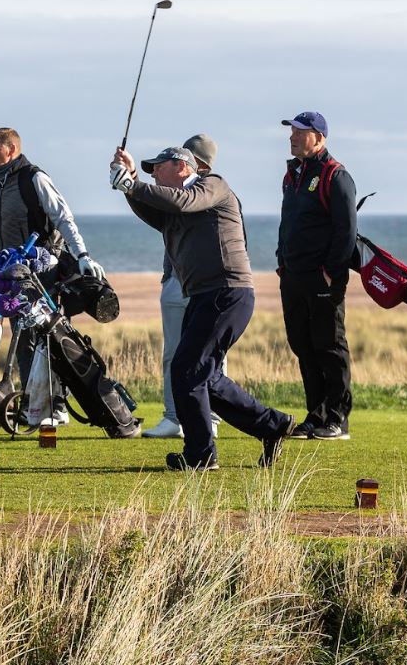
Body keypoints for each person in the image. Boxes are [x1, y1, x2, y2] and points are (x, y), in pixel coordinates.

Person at [110, 145, 294, 470]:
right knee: (204, 377)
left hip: (227, 292)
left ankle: (200, 454)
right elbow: (153, 209)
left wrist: (134, 184)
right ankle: (272, 425)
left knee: (186, 370)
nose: (154, 173)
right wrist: (130, 182)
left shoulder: (212, 185)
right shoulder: (176, 206)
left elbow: (182, 201)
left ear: (182, 166)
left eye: (157, 167)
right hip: (204, 296)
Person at [0, 127, 106, 425]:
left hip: (42, 273)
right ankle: (36, 406)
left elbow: (63, 217)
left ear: (10, 149)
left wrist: (83, 256)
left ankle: (54, 408)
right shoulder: (4, 182)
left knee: (47, 340)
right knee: (24, 338)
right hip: (16, 273)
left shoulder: (33, 177)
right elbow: (21, 218)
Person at [276, 111, 357, 440]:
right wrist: (282, 263)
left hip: (323, 280)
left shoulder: (335, 175)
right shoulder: (292, 174)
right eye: (292, 131)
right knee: (303, 345)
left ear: (319, 138)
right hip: (293, 277)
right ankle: (316, 415)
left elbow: (346, 231)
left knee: (329, 347)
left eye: (300, 132)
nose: (292, 136)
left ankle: (337, 418)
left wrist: (330, 273)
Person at [143, 134, 222, 440]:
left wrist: (134, 185)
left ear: (193, 164)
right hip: (176, 279)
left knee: (211, 354)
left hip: (206, 283)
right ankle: (173, 416)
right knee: (173, 353)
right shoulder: (176, 193)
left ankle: (210, 418)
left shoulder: (211, 190)